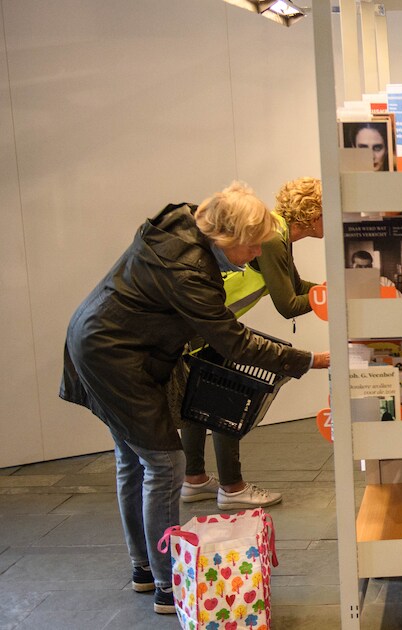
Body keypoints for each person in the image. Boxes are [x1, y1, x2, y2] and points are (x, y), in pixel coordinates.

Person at [60, 181, 331, 614]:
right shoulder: (188, 271)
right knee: (164, 465)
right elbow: (234, 341)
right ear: (229, 239)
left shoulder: (191, 227)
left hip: (106, 342)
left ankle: (145, 569)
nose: (257, 256)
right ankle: (169, 585)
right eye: (252, 248)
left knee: (132, 460)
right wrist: (310, 360)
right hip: (114, 356)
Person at [181, 177, 324, 511]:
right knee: (224, 399)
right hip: (211, 322)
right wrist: (330, 296)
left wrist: (331, 290)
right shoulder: (273, 238)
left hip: (205, 321)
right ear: (313, 214)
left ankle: (194, 479)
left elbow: (296, 284)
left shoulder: (278, 233)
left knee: (198, 397)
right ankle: (232, 488)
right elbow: (287, 303)